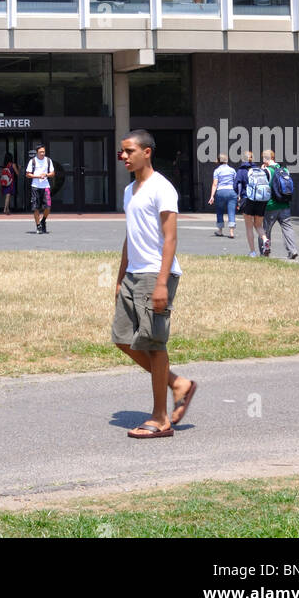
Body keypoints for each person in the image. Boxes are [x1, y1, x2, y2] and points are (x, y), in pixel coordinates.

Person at [112, 129, 196, 438]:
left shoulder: (163, 188)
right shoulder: (129, 190)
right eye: (121, 152)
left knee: (153, 343)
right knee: (122, 338)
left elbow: (170, 238)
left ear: (146, 152)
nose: (123, 156)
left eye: (128, 151)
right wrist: (120, 278)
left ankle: (161, 418)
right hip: (134, 274)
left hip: (156, 274)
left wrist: (162, 283)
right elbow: (129, 237)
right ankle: (177, 383)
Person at [263, 150, 299, 261]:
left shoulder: (266, 171)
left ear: (266, 159)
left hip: (271, 205)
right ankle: (292, 251)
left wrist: (262, 170)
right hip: (284, 204)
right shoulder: (284, 170)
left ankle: (265, 250)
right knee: (287, 227)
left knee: (265, 230)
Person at [236, 151, 271, 256]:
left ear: (243, 159)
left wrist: (238, 196)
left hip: (248, 200)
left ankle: (252, 252)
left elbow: (236, 185)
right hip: (261, 200)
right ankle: (265, 239)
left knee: (249, 226)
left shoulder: (241, 171)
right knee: (258, 225)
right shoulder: (260, 170)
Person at [207, 153, 237, 237]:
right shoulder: (232, 170)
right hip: (231, 191)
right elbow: (236, 183)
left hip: (220, 192)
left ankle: (220, 230)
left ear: (219, 161)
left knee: (219, 211)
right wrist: (238, 194)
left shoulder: (217, 170)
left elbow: (215, 184)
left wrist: (212, 196)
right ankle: (231, 232)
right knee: (231, 211)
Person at [26, 146, 54, 234]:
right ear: (37, 152)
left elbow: (52, 173)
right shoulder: (32, 161)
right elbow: (28, 174)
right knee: (36, 207)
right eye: (41, 152)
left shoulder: (48, 160)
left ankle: (43, 220)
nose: (42, 153)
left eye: (44, 152)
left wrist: (46, 175)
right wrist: (38, 176)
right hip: (35, 186)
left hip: (45, 186)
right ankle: (38, 226)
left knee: (48, 206)